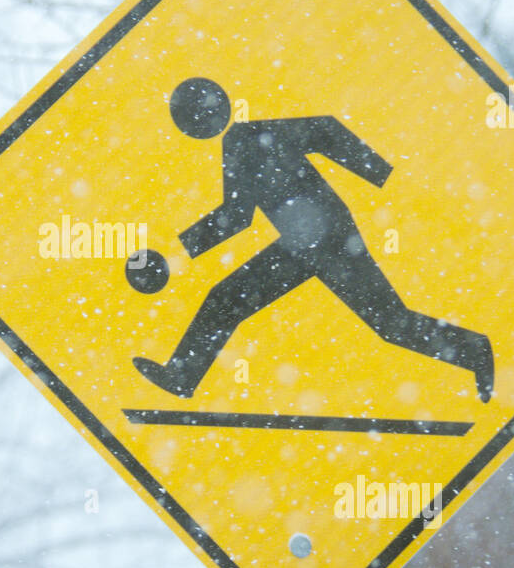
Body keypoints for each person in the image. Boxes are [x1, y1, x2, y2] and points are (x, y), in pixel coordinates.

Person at [133, 77, 494, 402]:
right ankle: (182, 375)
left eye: (191, 116)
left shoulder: (247, 137)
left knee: (387, 320)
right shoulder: (241, 140)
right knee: (227, 299)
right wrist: (183, 247)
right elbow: (239, 215)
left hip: (325, 238)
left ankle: (474, 350)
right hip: (307, 240)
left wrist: (382, 174)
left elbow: (325, 130)